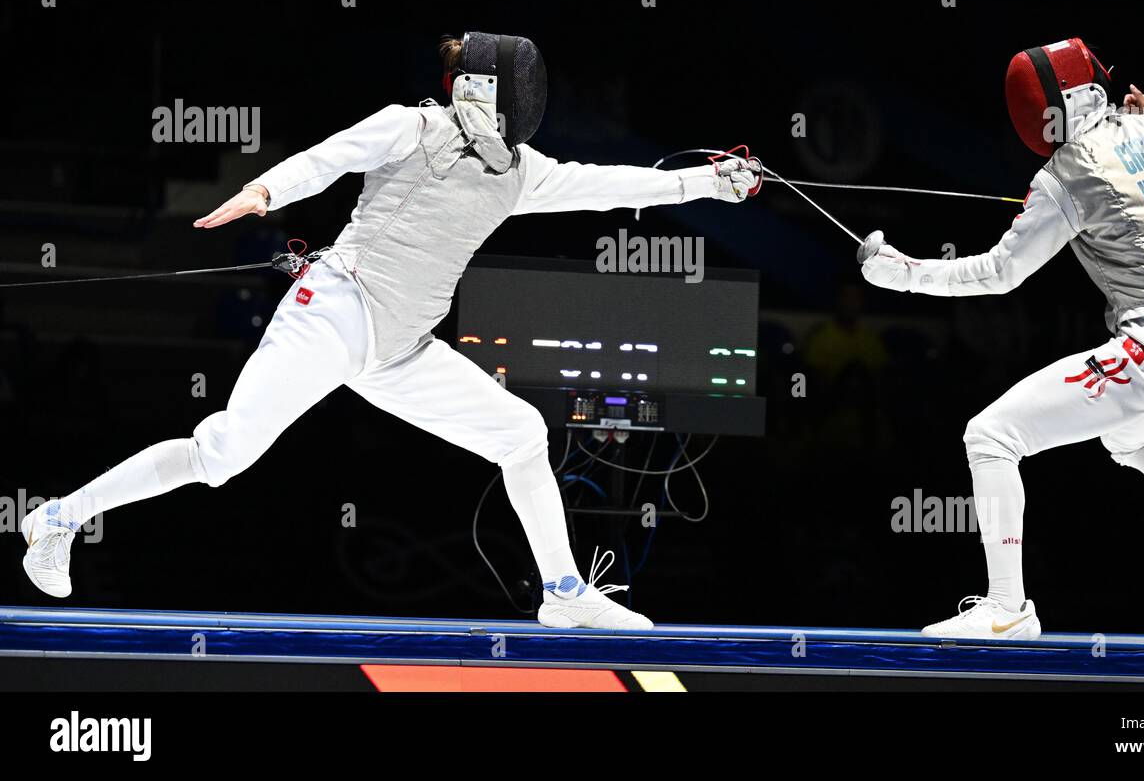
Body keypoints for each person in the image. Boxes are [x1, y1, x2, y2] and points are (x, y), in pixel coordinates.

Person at [21, 31, 759, 630]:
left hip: (400, 350)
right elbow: (327, 159)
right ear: (486, 90)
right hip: (333, 312)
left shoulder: (520, 172)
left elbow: (611, 188)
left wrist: (709, 181)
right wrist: (262, 191)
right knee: (223, 454)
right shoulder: (411, 126)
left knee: (521, 434)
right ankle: (58, 518)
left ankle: (563, 590)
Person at [857, 37, 1144, 639]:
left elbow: (1002, 272)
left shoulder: (1065, 172)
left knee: (991, 435)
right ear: (1092, 87)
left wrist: (903, 275)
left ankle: (1008, 610)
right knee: (1128, 439)